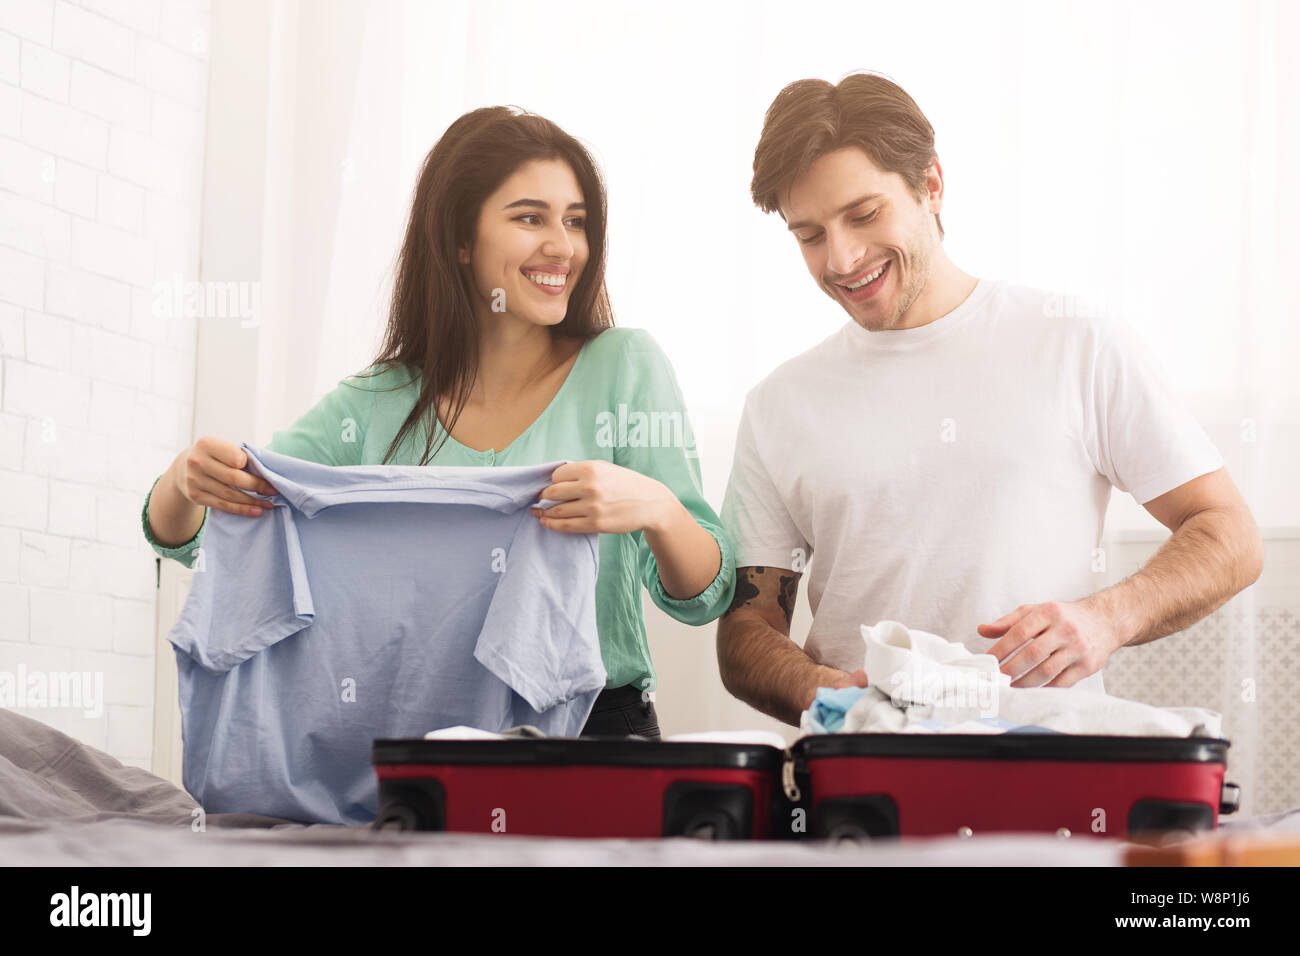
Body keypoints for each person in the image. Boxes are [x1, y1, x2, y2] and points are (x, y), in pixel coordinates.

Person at [144, 106, 735, 740]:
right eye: (530, 217)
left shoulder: (625, 366)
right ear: (459, 237)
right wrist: (183, 482)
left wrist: (658, 507)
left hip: (595, 732)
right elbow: (201, 537)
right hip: (417, 734)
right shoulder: (377, 402)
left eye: (576, 221)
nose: (563, 246)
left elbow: (704, 595)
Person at [717, 72, 1263, 726]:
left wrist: (1104, 620)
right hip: (861, 779)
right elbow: (747, 627)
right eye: (810, 235)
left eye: (864, 215)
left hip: (1046, 773)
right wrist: (832, 696)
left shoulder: (1072, 341)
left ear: (931, 185)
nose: (842, 258)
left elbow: (1230, 535)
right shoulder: (780, 405)